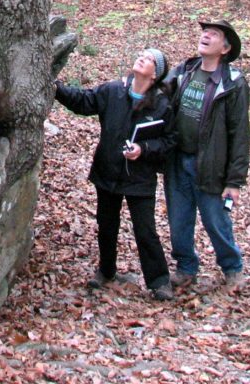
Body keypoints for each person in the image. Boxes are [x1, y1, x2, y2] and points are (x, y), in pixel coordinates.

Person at [55, 48, 176, 301]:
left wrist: (143, 149)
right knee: (106, 226)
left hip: (140, 178)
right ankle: (106, 271)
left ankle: (159, 282)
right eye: (141, 54)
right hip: (107, 172)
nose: (141, 58)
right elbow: (84, 101)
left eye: (150, 59)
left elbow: (169, 140)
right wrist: (56, 87)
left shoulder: (162, 104)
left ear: (156, 74)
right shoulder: (113, 90)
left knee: (146, 231)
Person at [164, 18, 250, 293]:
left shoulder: (233, 84)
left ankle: (232, 268)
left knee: (216, 221)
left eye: (213, 34)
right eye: (204, 32)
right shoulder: (185, 71)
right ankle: (186, 268)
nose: (205, 36)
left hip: (211, 166)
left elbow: (240, 134)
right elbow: (156, 93)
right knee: (179, 220)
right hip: (178, 162)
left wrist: (235, 181)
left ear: (225, 48)